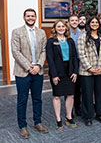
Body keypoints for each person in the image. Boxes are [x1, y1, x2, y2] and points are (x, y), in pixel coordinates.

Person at [11, 8, 48, 139]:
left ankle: (37, 122)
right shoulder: (17, 32)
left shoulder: (42, 32)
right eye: (28, 16)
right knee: (22, 100)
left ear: (36, 17)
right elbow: (16, 52)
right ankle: (23, 126)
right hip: (23, 72)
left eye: (33, 16)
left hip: (38, 72)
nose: (30, 18)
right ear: (24, 17)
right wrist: (29, 67)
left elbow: (44, 51)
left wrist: (38, 65)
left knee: (37, 98)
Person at [46, 20, 79, 131]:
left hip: (69, 71)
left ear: (66, 28)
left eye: (63, 26)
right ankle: (58, 119)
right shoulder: (51, 41)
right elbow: (50, 59)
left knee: (71, 95)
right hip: (57, 71)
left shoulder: (70, 41)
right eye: (58, 26)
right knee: (57, 96)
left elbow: (74, 57)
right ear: (55, 28)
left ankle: (69, 117)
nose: (61, 28)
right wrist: (54, 75)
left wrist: (75, 72)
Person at [77, 16, 101, 126]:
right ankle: (87, 116)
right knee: (87, 94)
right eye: (92, 22)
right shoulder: (82, 37)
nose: (95, 24)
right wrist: (90, 68)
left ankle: (99, 114)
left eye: (97, 22)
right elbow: (81, 54)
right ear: (89, 24)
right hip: (87, 72)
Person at [68, 14, 83, 116]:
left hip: (80, 62)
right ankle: (69, 110)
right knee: (69, 88)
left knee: (78, 87)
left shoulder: (83, 33)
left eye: (76, 20)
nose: (74, 22)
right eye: (72, 20)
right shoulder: (65, 34)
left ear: (78, 22)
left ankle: (77, 107)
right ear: (68, 22)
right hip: (68, 63)